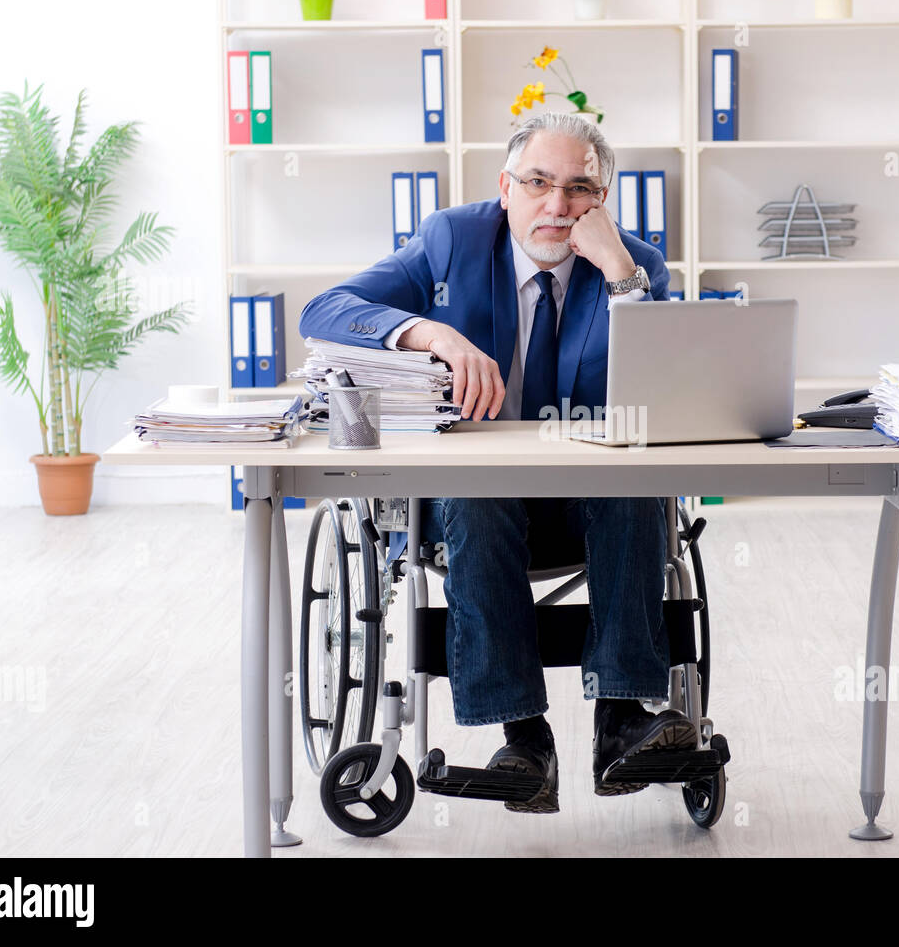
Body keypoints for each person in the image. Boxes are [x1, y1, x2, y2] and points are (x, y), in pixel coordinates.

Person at [298, 112, 695, 814]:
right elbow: (327, 310)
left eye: (580, 189)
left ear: (602, 200)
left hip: (592, 504)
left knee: (637, 485)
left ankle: (623, 721)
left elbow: (664, 394)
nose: (558, 205)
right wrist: (427, 331)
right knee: (475, 494)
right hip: (474, 504)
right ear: (504, 187)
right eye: (538, 182)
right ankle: (524, 742)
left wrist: (621, 277)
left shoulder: (634, 265)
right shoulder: (452, 240)